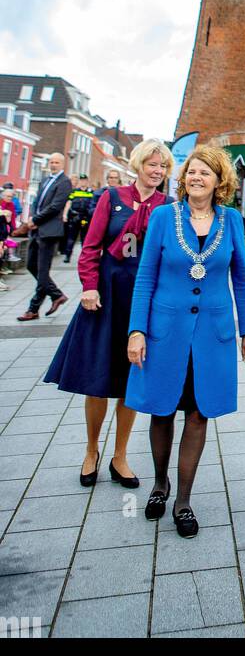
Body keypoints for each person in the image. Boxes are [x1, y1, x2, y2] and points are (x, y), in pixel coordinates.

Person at [126, 145, 245, 538]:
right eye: (191, 172)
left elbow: (242, 279)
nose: (196, 177)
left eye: (205, 173)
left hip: (212, 336)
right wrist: (136, 330)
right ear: (182, 179)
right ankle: (159, 483)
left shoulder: (231, 220)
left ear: (220, 182)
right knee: (162, 410)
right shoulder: (165, 217)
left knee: (199, 413)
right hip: (165, 333)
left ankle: (183, 501)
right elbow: (146, 276)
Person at [44, 140, 174, 488]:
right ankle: (91, 450)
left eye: (163, 166)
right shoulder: (111, 198)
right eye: (152, 164)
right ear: (138, 165)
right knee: (98, 380)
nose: (157, 171)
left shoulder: (168, 206)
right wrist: (88, 285)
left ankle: (120, 455)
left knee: (131, 377)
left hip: (143, 299)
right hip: (106, 296)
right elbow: (91, 247)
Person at [18, 153, 72, 321]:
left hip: (49, 231)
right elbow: (37, 203)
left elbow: (56, 207)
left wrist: (35, 219)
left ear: (62, 164)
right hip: (37, 229)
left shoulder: (64, 182)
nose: (53, 164)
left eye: (56, 162)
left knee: (42, 271)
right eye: (51, 161)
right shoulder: (45, 180)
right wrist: (32, 218)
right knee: (30, 265)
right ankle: (56, 295)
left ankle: (33, 309)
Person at [63, 175, 95, 262]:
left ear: (87, 181)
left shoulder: (91, 192)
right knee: (71, 238)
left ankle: (84, 258)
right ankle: (67, 256)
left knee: (85, 239)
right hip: (74, 217)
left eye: (84, 180)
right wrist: (65, 215)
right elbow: (68, 203)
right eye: (81, 180)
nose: (83, 182)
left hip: (86, 218)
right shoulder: (74, 192)